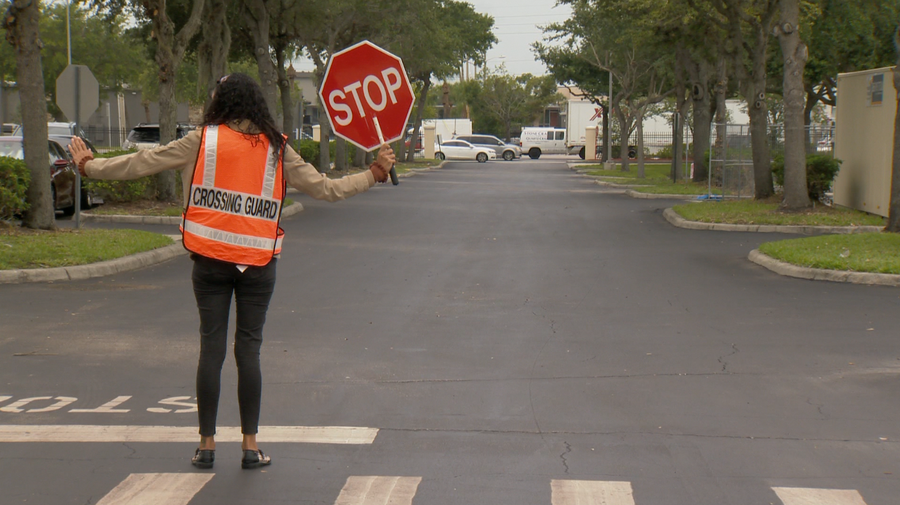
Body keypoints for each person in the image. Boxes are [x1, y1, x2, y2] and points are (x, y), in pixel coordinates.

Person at [69, 73, 395, 470]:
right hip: (257, 266)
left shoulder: (202, 141)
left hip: (208, 262)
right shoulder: (278, 149)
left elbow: (142, 162)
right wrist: (374, 173)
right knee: (248, 351)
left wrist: (89, 167)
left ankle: (206, 446)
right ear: (257, 104)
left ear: (221, 102)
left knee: (211, 350)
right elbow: (326, 188)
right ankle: (250, 446)